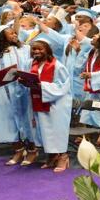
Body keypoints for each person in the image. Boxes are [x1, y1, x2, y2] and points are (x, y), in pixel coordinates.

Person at [0, 27, 39, 165]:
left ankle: (32, 150)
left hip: (24, 88)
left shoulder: (24, 48)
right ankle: (18, 150)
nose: (14, 34)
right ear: (2, 36)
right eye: (10, 33)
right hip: (5, 90)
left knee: (28, 120)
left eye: (15, 32)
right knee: (8, 121)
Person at [26, 36, 75, 172]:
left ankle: (63, 157)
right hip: (39, 102)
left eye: (39, 49)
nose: (36, 51)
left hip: (56, 104)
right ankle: (52, 156)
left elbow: (63, 86)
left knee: (56, 131)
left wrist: (42, 85)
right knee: (44, 131)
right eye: (34, 49)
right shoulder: (32, 64)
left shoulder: (58, 66)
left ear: (47, 50)